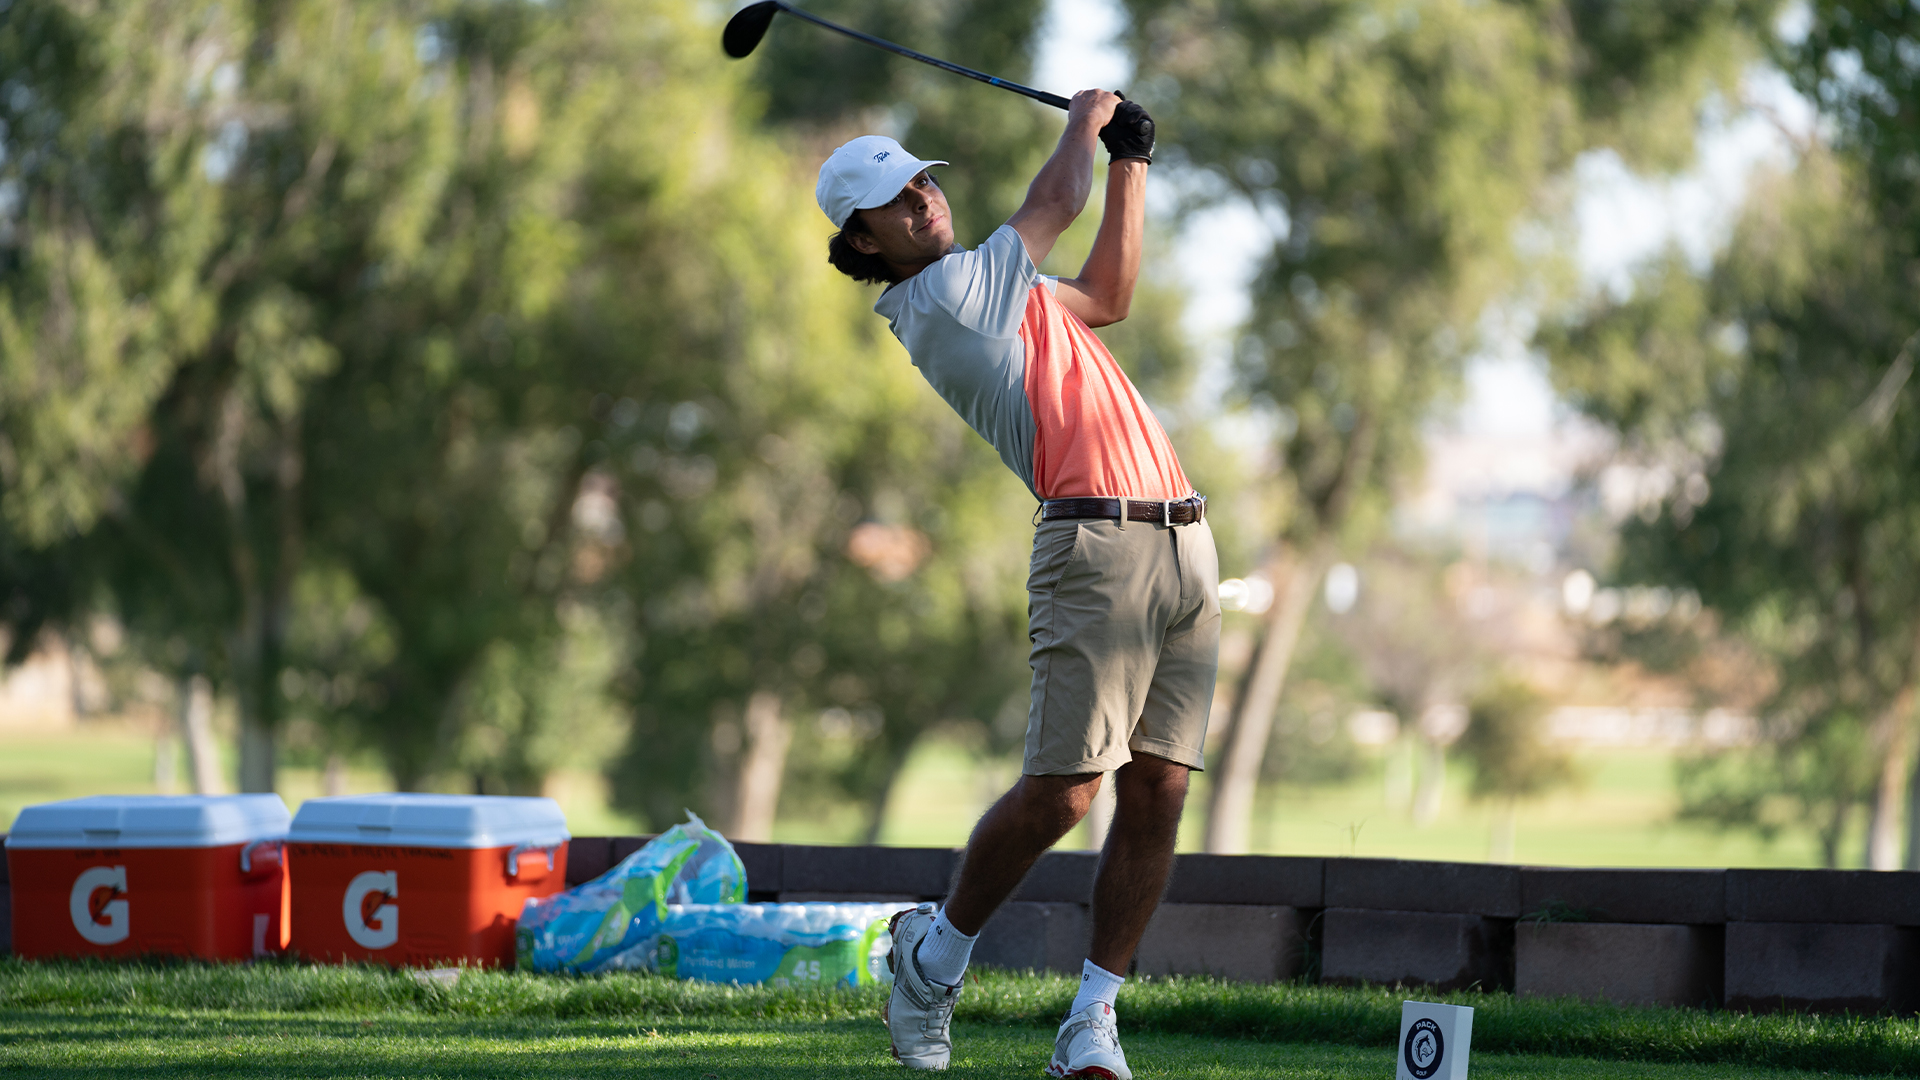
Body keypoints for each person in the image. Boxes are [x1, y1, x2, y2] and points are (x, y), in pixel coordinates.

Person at [816, 90, 1219, 1079]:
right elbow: (1053, 202)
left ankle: (1091, 1021)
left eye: (922, 180)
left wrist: (1130, 162)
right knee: (1066, 792)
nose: (922, 197)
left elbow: (1108, 295)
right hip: (1095, 546)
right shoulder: (950, 299)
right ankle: (933, 959)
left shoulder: (1003, 288)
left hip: (1183, 538)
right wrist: (1086, 120)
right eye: (895, 199)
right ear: (863, 242)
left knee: (1159, 787)